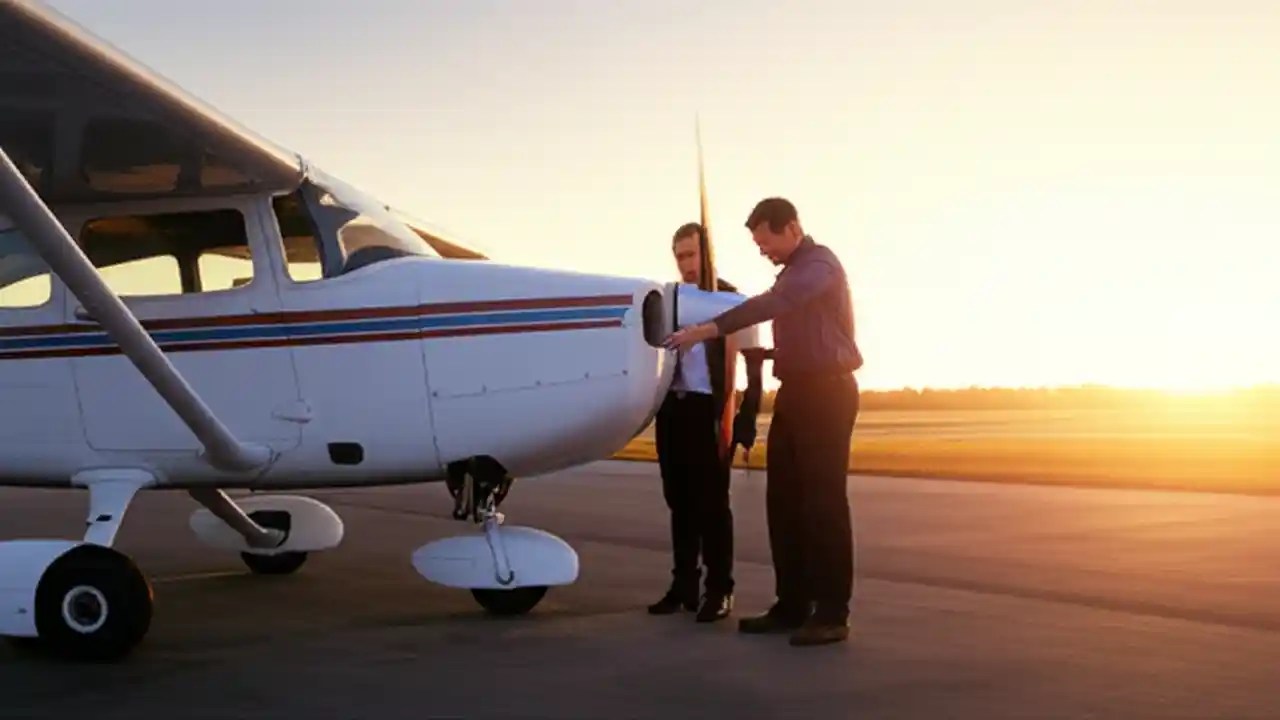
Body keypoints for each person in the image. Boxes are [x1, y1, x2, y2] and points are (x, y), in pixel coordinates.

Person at [663, 198, 863, 646]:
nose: (762, 251)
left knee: (824, 503)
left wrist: (707, 329)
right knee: (785, 502)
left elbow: (776, 303)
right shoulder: (793, 271)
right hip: (796, 392)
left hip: (827, 393)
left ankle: (832, 612)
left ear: (791, 227)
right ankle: (792, 604)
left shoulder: (819, 265)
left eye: (764, 241)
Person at [649, 221, 764, 623]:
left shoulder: (730, 300)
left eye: (692, 254)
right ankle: (684, 585)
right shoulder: (668, 298)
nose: (686, 264)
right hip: (672, 408)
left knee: (713, 504)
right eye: (679, 256)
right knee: (678, 501)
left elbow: (753, 363)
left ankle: (720, 589)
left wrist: (747, 415)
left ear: (708, 252)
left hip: (710, 411)